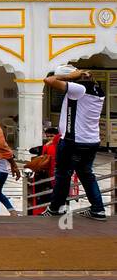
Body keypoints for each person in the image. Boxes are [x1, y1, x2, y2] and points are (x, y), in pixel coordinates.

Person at [43, 66, 107, 220]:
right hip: (91, 141)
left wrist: (70, 76)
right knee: (86, 174)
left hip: (73, 142)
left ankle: (56, 208)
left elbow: (49, 80)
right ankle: (98, 209)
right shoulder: (98, 91)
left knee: (63, 175)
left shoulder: (78, 89)